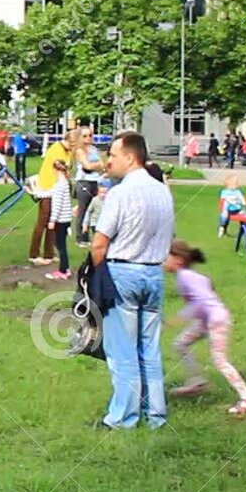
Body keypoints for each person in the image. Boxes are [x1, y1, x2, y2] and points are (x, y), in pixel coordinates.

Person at [90, 131, 175, 430]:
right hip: (154, 272)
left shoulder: (121, 193)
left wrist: (96, 276)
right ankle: (155, 414)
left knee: (122, 349)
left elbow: (99, 243)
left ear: (129, 156)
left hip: (123, 271)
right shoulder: (162, 191)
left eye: (112, 155)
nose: (108, 161)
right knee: (149, 348)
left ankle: (122, 417)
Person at [165, 240, 246, 414]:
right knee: (180, 344)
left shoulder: (185, 277)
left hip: (216, 321)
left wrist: (179, 318)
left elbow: (200, 301)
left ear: (178, 259)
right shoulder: (187, 276)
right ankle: (197, 382)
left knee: (219, 360)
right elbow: (207, 283)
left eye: (166, 257)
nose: (163, 261)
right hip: (206, 320)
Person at [28, 133, 71, 265]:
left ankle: (49, 254)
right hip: (47, 189)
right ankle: (34, 254)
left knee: (53, 224)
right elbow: (56, 169)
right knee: (42, 222)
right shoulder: (57, 149)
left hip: (55, 190)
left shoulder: (68, 152)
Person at [71, 126, 104, 246]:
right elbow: (87, 166)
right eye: (85, 136)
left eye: (90, 135)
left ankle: (91, 235)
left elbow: (102, 165)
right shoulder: (80, 150)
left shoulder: (94, 149)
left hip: (96, 181)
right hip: (84, 182)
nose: (88, 138)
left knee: (95, 208)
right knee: (83, 210)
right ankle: (81, 237)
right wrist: (96, 165)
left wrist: (95, 165)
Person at [45, 159, 74, 281]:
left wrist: (52, 220)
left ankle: (63, 271)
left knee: (60, 245)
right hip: (66, 219)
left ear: (55, 170)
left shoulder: (59, 185)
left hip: (60, 220)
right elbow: (50, 193)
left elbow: (57, 205)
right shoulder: (64, 183)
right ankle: (65, 268)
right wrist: (35, 192)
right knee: (61, 244)